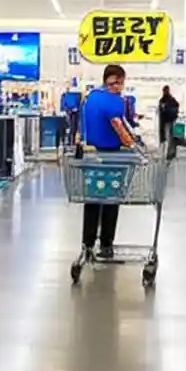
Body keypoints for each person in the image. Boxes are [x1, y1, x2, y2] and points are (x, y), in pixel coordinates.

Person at [79, 64, 136, 259]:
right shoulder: (115, 101)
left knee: (93, 199)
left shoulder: (91, 98)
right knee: (111, 199)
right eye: (120, 82)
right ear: (116, 81)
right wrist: (132, 144)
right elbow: (118, 127)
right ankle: (106, 244)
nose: (121, 86)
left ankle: (87, 244)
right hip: (112, 156)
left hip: (91, 155)